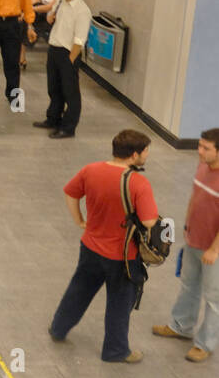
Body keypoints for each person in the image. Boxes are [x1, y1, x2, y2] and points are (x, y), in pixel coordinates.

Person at [50, 129, 158, 363]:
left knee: (79, 289)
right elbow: (149, 221)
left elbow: (70, 193)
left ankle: (58, 328)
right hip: (122, 256)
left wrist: (79, 220)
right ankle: (115, 350)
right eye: (146, 151)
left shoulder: (91, 170)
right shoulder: (138, 183)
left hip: (90, 246)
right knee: (119, 303)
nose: (147, 155)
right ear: (134, 155)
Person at [153, 128, 219, 362]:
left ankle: (205, 344)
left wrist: (214, 249)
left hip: (214, 249)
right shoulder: (202, 166)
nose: (199, 151)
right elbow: (195, 196)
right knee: (189, 285)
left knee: (213, 298)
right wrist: (187, 224)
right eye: (200, 145)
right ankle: (181, 326)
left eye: (205, 148)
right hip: (194, 238)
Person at [33, 0, 90, 139]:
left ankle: (68, 127)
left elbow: (80, 39)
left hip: (68, 52)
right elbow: (52, 17)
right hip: (54, 48)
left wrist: (71, 59)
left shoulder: (82, 11)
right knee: (54, 87)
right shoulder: (61, 0)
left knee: (70, 92)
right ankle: (53, 119)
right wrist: (51, 15)